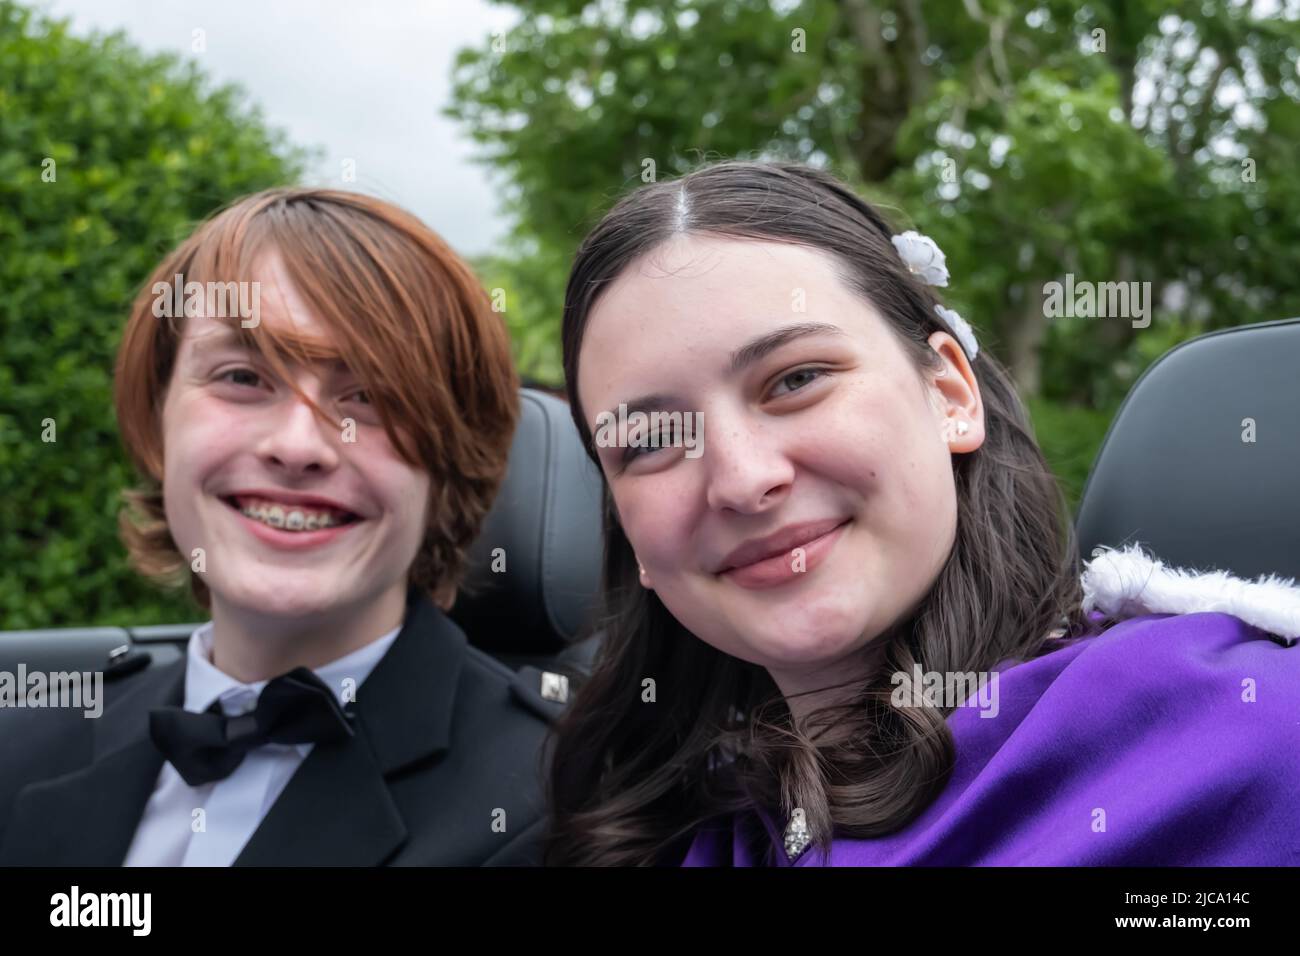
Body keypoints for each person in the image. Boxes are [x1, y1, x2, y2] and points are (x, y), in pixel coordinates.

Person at [543, 160, 1300, 866]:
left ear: (950, 397)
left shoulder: (1247, 735)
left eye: (796, 379)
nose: (742, 480)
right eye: (653, 441)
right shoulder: (663, 829)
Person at [0, 188, 556, 866]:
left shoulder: (554, 808)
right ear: (157, 419)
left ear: (452, 464)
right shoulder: (24, 742)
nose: (298, 446)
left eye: (370, 396)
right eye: (241, 376)